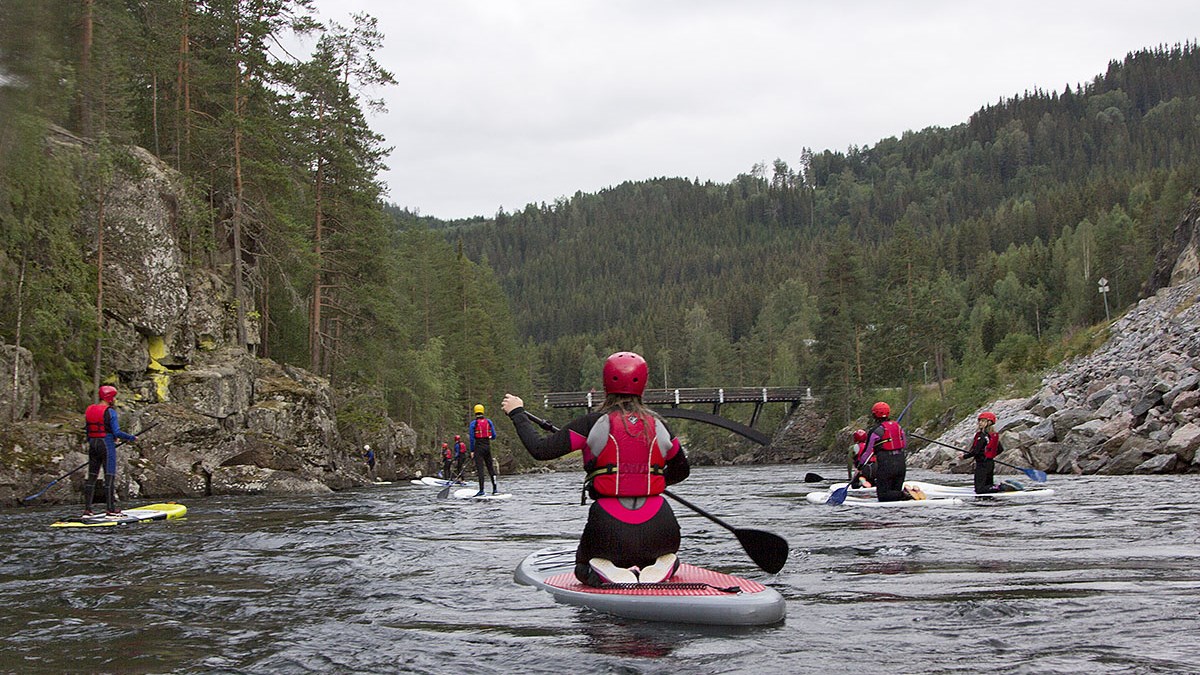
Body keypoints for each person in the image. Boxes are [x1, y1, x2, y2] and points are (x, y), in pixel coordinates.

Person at [502, 351, 691, 586]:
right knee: (659, 551)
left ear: (605, 384)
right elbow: (682, 470)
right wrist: (645, 481)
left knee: (582, 568)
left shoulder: (592, 423)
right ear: (643, 384)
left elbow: (540, 450)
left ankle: (607, 570)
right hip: (660, 524)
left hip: (609, 526)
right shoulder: (659, 424)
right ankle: (664, 564)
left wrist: (518, 413)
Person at [82, 385, 137, 516]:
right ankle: (110, 509)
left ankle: (87, 509)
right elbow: (116, 432)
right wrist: (131, 437)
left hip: (93, 443)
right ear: (110, 398)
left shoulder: (90, 409)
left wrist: (94, 442)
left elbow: (88, 431)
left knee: (92, 477)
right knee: (109, 476)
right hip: (106, 444)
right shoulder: (110, 411)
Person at [863, 401, 910, 502]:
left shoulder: (875, 431)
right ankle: (904, 494)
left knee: (883, 496)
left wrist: (860, 466)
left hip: (886, 465)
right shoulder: (898, 427)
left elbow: (867, 453)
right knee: (894, 496)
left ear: (874, 415)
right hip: (901, 463)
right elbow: (904, 444)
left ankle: (905, 494)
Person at [959, 411, 1010, 493]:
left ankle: (1001, 487)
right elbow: (1000, 449)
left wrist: (964, 457)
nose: (980, 423)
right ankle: (995, 489)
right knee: (987, 486)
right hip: (990, 463)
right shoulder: (993, 435)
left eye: (983, 421)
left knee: (979, 489)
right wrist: (989, 456)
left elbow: (975, 451)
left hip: (982, 465)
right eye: (979, 421)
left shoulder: (981, 436)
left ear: (989, 422)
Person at [468, 404, 499, 495]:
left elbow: (472, 439)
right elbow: (494, 436)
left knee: (480, 469)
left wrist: (472, 450)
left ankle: (481, 490)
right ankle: (495, 489)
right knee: (490, 468)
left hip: (478, 447)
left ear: (475, 412)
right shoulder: (489, 421)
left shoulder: (473, 424)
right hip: (487, 446)